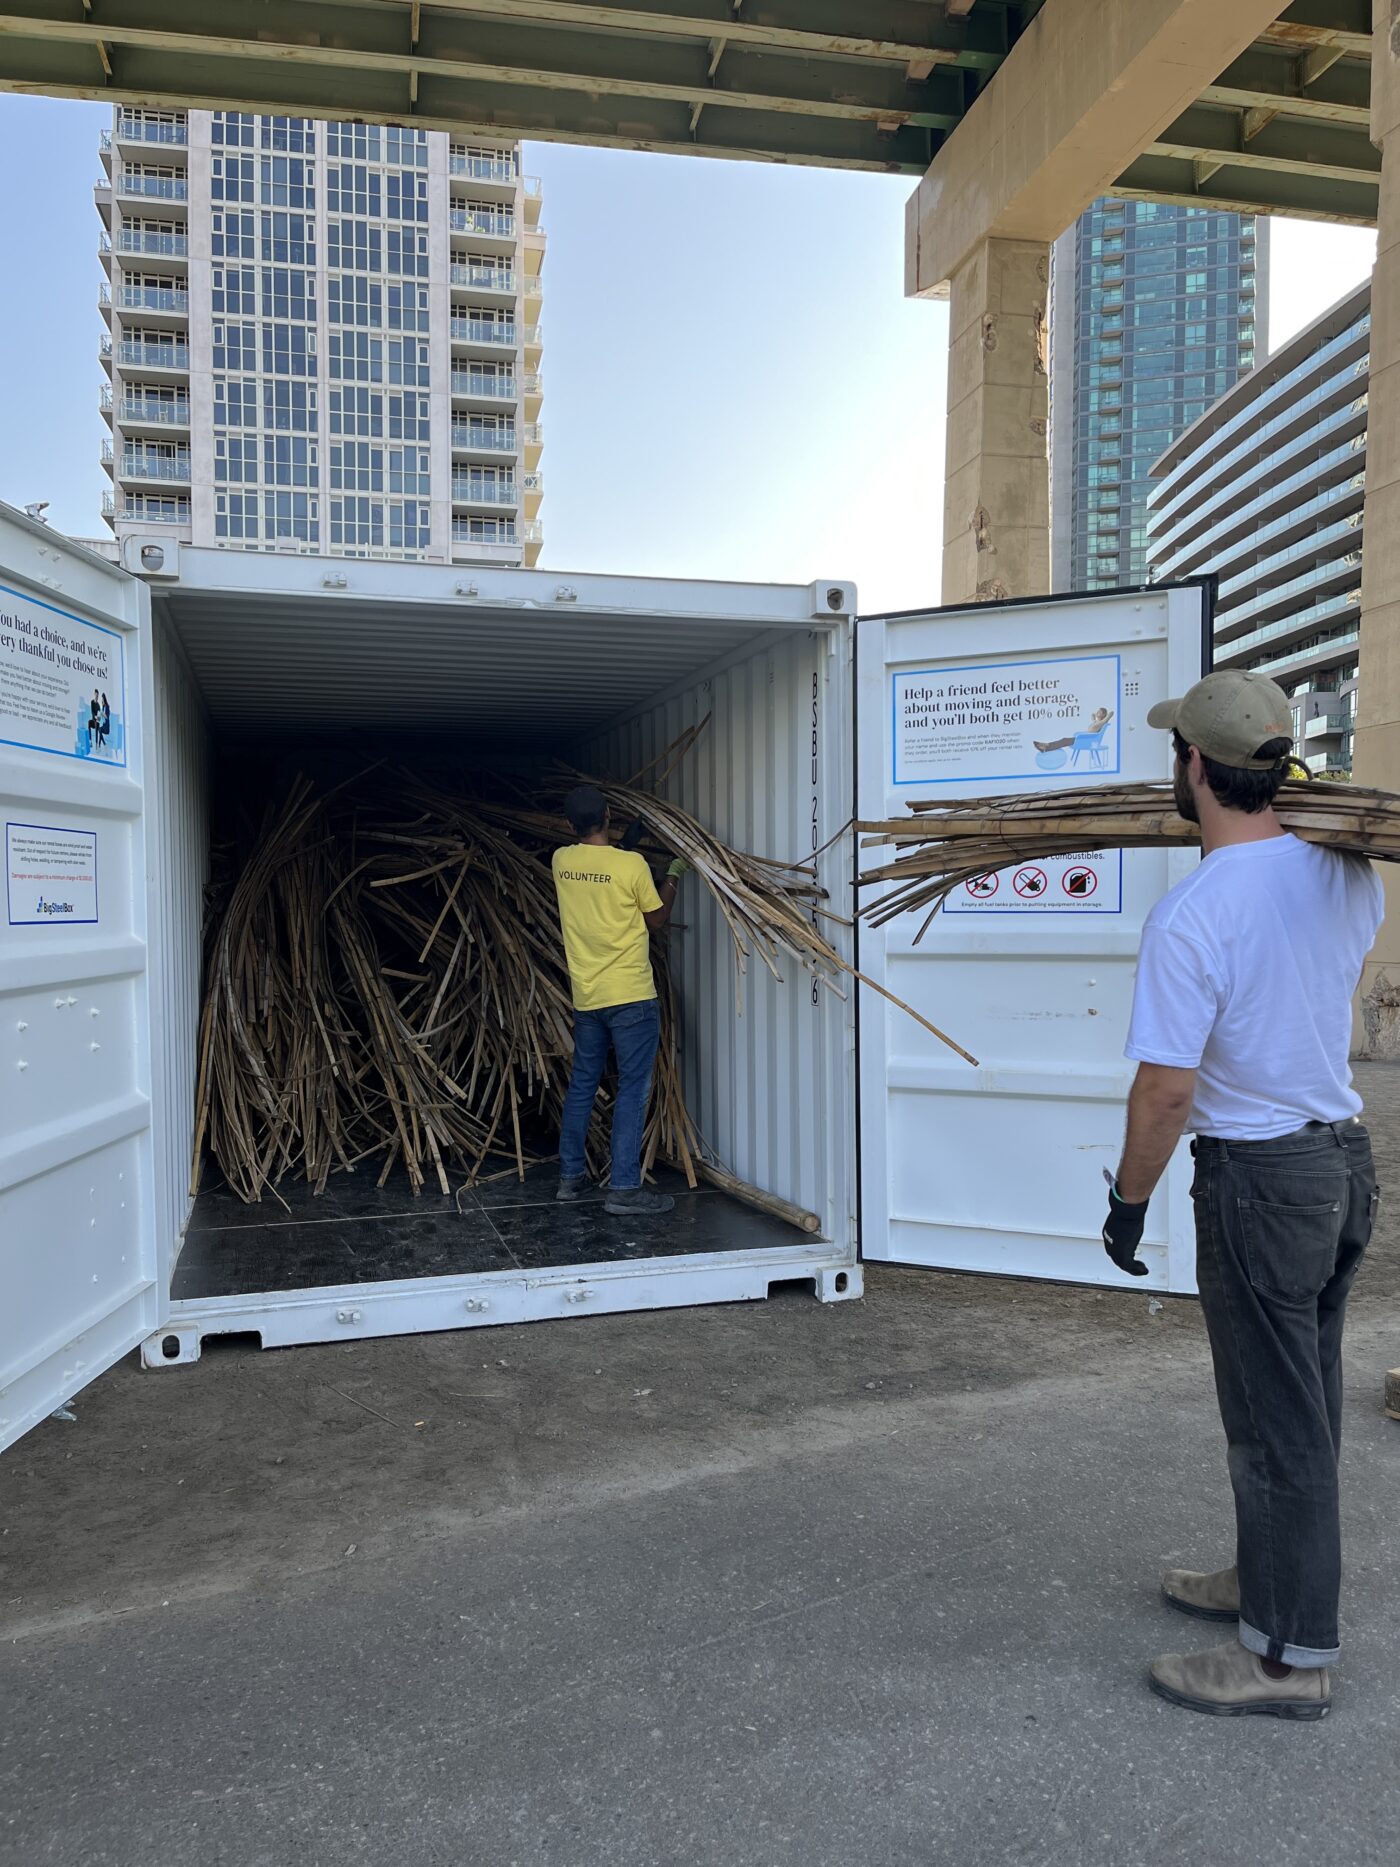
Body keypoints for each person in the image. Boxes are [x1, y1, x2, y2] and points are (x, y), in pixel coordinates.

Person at [1101, 670, 1383, 1721]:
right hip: (1340, 1164)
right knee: (1291, 1405)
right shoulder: (1350, 877)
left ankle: (1285, 1660)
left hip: (1261, 1181)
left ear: (1193, 768)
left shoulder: (1194, 914)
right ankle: (1264, 1592)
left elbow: (1165, 1091)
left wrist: (1127, 1203)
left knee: (1276, 1426)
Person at [551, 784, 688, 1217]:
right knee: (632, 1090)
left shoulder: (561, 861)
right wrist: (673, 875)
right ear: (609, 814)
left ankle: (570, 1179)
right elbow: (658, 918)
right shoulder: (630, 868)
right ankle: (624, 1188)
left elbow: (596, 869)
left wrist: (624, 847)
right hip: (631, 998)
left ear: (569, 825)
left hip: (588, 997)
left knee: (583, 1085)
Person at [1034, 705, 1113, 756]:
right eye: (1097, 711)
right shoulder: (1096, 722)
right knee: (1064, 740)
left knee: (1064, 740)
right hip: (1083, 739)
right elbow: (1093, 720)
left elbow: (1111, 713)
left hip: (1085, 741)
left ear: (1103, 715)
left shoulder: (1101, 723)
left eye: (1100, 712)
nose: (1097, 712)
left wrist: (1105, 716)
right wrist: (1095, 717)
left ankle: (1046, 747)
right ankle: (1045, 745)